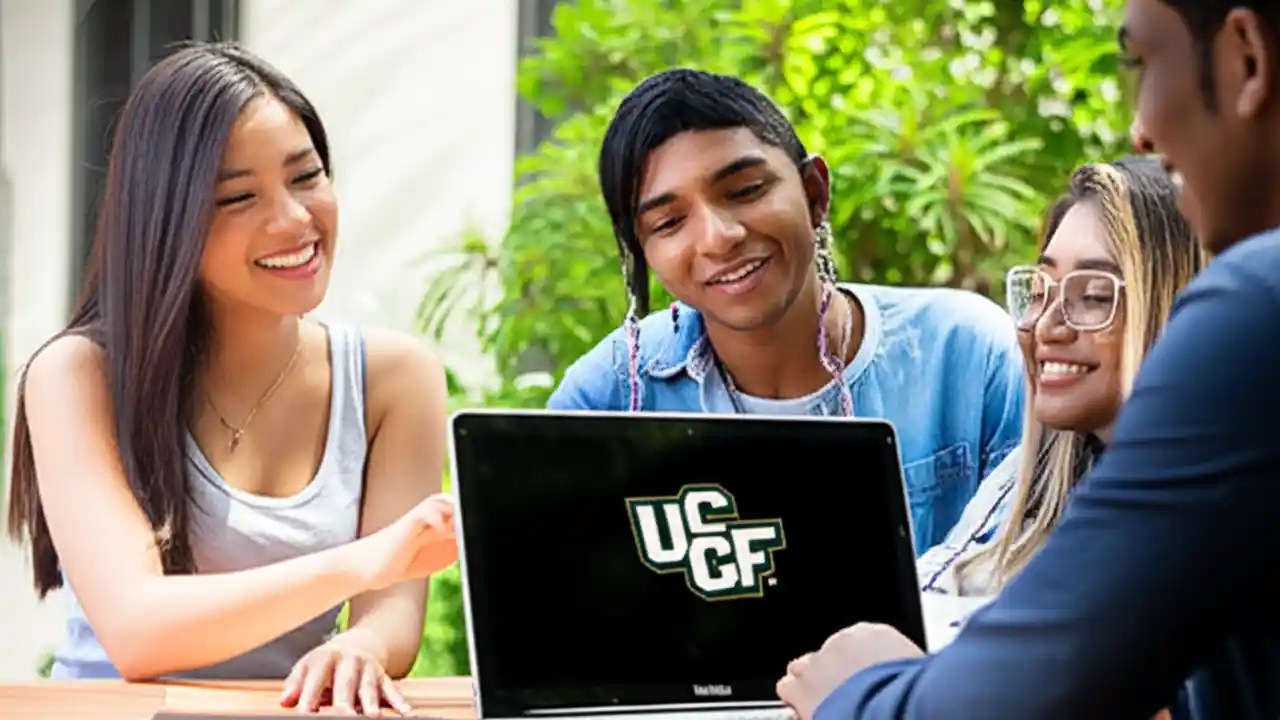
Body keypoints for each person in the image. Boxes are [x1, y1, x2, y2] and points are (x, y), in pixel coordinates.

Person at [774, 0, 1280, 717]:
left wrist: (863, 693)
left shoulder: (1257, 312)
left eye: (1142, 62)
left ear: (1246, 58)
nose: (1140, 125)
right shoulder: (1032, 477)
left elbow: (1029, 690)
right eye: (1039, 288)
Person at [5, 42, 457, 715]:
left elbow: (391, 609)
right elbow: (138, 629)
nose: (295, 219)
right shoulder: (77, 375)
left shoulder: (396, 378)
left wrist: (361, 647)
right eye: (239, 197)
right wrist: (371, 558)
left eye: (306, 177)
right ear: (165, 221)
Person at [547, 68, 1027, 550]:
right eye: (670, 222)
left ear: (814, 192)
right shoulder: (606, 397)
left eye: (746, 190)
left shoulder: (968, 355)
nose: (719, 237)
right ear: (640, 253)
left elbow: (1041, 576)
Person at [914, 155, 1203, 646]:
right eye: (1040, 290)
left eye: (1092, 296)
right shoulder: (1046, 467)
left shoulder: (1207, 508)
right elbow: (921, 589)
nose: (1045, 326)